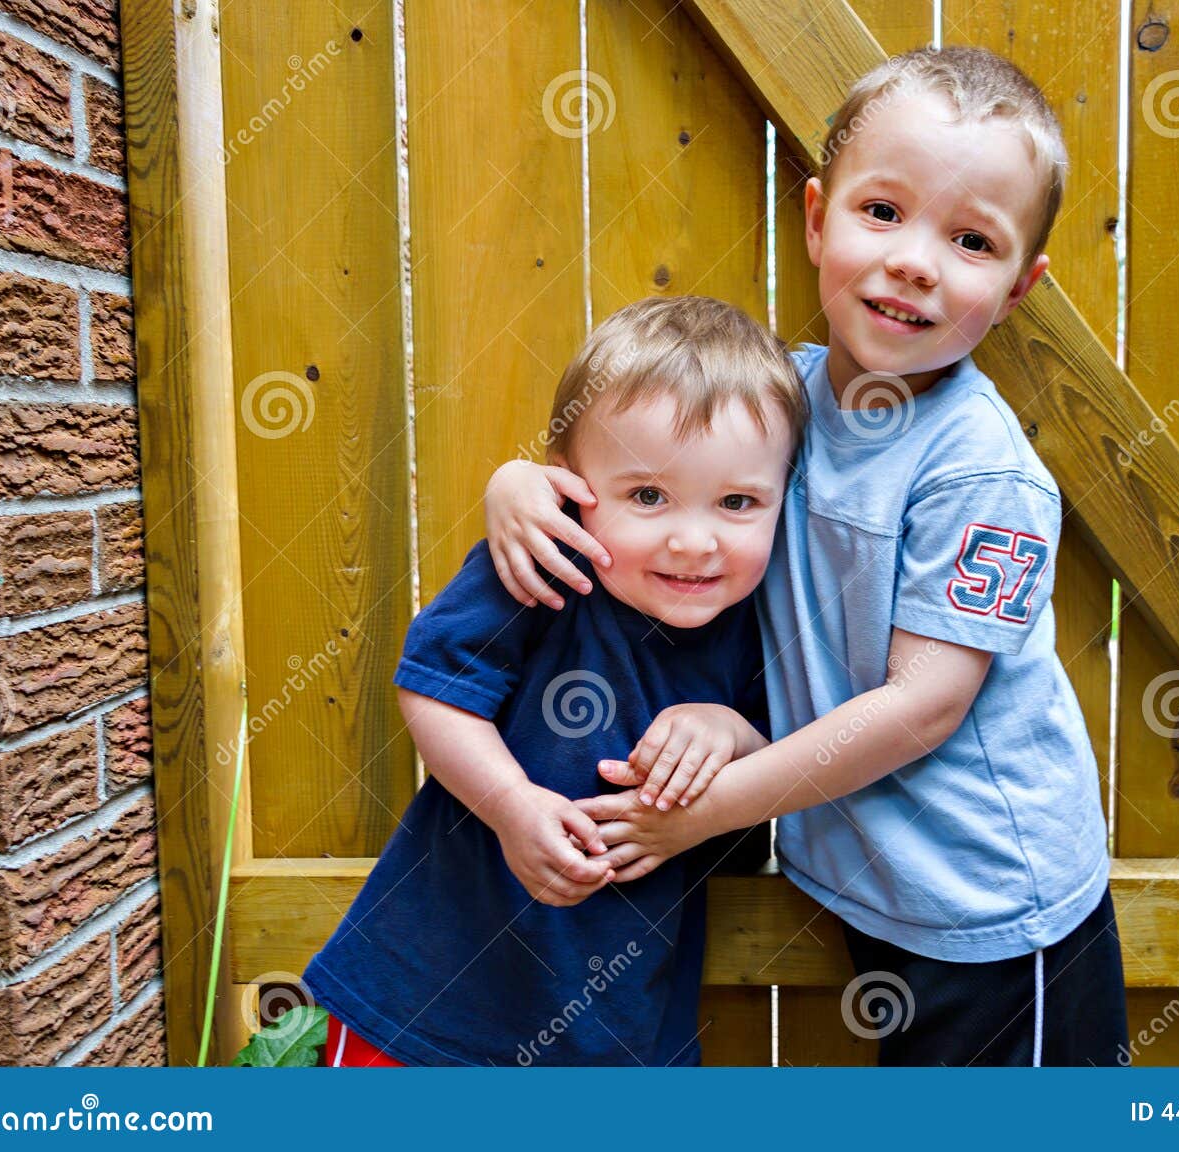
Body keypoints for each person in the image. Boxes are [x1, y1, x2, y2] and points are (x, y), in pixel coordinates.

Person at [482, 46, 1129, 1066]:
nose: (916, 259)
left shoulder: (979, 475)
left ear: (1017, 288)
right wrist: (516, 483)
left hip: (994, 905)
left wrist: (691, 820)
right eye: (884, 212)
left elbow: (920, 705)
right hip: (874, 880)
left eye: (969, 239)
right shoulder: (776, 399)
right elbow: (629, 460)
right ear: (818, 217)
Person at [302, 295, 806, 1065]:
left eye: (737, 502)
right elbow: (434, 685)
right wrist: (509, 806)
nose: (695, 539)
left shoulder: (766, 622)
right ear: (568, 487)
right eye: (647, 495)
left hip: (617, 1028)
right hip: (424, 1001)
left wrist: (728, 730)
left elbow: (782, 762)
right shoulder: (545, 571)